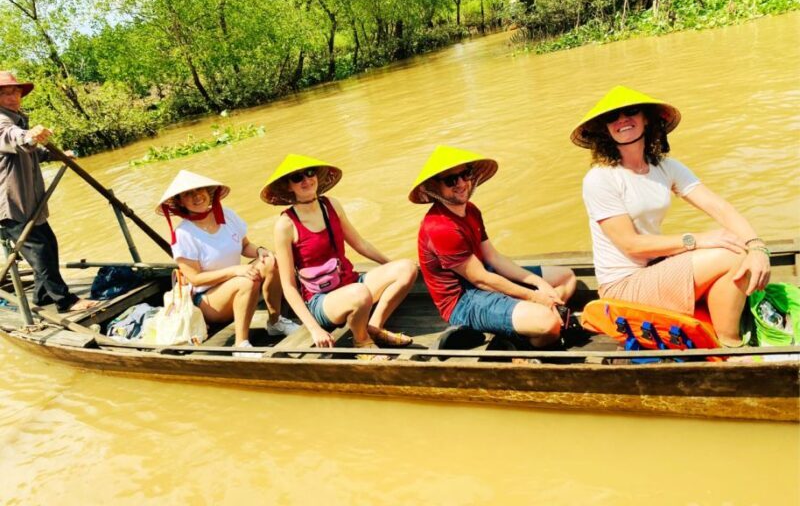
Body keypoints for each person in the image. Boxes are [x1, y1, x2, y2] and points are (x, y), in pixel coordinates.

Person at [572, 85, 770, 346]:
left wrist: (757, 247)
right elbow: (631, 245)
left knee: (737, 246)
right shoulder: (600, 178)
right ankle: (730, 347)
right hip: (623, 285)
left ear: (646, 119)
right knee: (731, 253)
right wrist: (696, 240)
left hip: (655, 268)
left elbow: (718, 206)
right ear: (605, 129)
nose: (622, 120)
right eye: (612, 117)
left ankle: (725, 340)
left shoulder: (664, 167)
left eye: (631, 111)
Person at [410, 145, 576, 348]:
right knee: (549, 324)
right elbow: (481, 280)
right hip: (463, 301)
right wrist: (535, 297)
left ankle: (514, 327)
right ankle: (516, 340)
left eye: (465, 174)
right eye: (451, 180)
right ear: (434, 188)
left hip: (484, 276)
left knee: (566, 277)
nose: (461, 183)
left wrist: (539, 283)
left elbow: (494, 258)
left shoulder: (470, 210)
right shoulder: (440, 227)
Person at [263, 154, 417, 359]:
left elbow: (360, 244)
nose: (307, 180)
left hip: (351, 282)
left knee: (407, 268)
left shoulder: (331, 205)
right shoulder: (285, 225)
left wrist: (391, 265)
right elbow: (289, 286)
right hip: (322, 301)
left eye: (310, 173)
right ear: (288, 187)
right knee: (359, 293)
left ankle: (374, 326)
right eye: (297, 178)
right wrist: (313, 329)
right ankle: (361, 341)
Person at [157, 170, 295, 355]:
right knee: (247, 280)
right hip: (207, 300)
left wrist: (260, 250)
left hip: (237, 281)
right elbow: (195, 278)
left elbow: (245, 246)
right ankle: (241, 344)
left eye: (200, 190)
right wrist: (236, 271)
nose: (197, 196)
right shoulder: (184, 233)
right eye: (188, 194)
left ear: (208, 192)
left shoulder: (227, 216)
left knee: (271, 261)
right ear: (181, 201)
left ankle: (275, 321)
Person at [0, 71, 97, 313]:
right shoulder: (4, 123)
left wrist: (57, 154)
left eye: (15, 91)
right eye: (5, 92)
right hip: (11, 205)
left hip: (30, 203)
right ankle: (65, 301)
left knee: (49, 246)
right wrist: (30, 135)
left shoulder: (17, 119)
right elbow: (15, 139)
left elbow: (31, 150)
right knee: (40, 252)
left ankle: (42, 296)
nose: (13, 96)